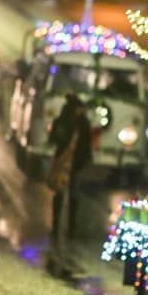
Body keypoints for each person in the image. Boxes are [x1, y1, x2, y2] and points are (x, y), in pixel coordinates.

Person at [47, 93, 92, 266]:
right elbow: (86, 146)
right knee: (71, 195)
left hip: (68, 163)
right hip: (69, 164)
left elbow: (54, 139)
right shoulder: (78, 123)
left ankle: (58, 226)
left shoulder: (67, 121)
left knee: (63, 195)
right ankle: (68, 227)